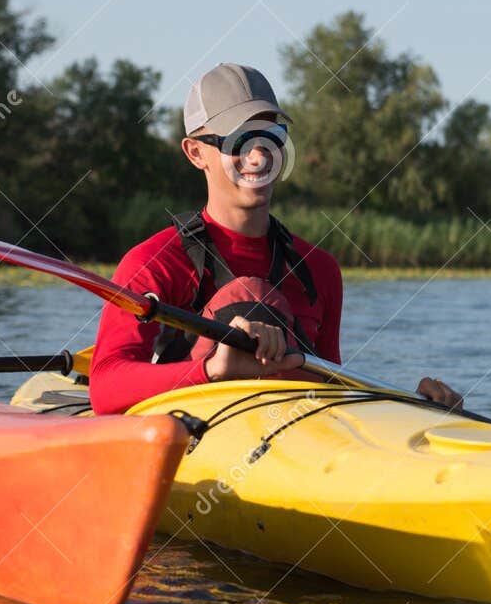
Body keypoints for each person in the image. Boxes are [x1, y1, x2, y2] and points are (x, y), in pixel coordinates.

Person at [89, 62, 463, 415]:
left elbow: (329, 388)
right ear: (195, 152)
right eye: (239, 139)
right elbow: (105, 387)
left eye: (271, 136)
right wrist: (212, 369)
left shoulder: (319, 269)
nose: (259, 155)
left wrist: (412, 406)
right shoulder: (153, 264)